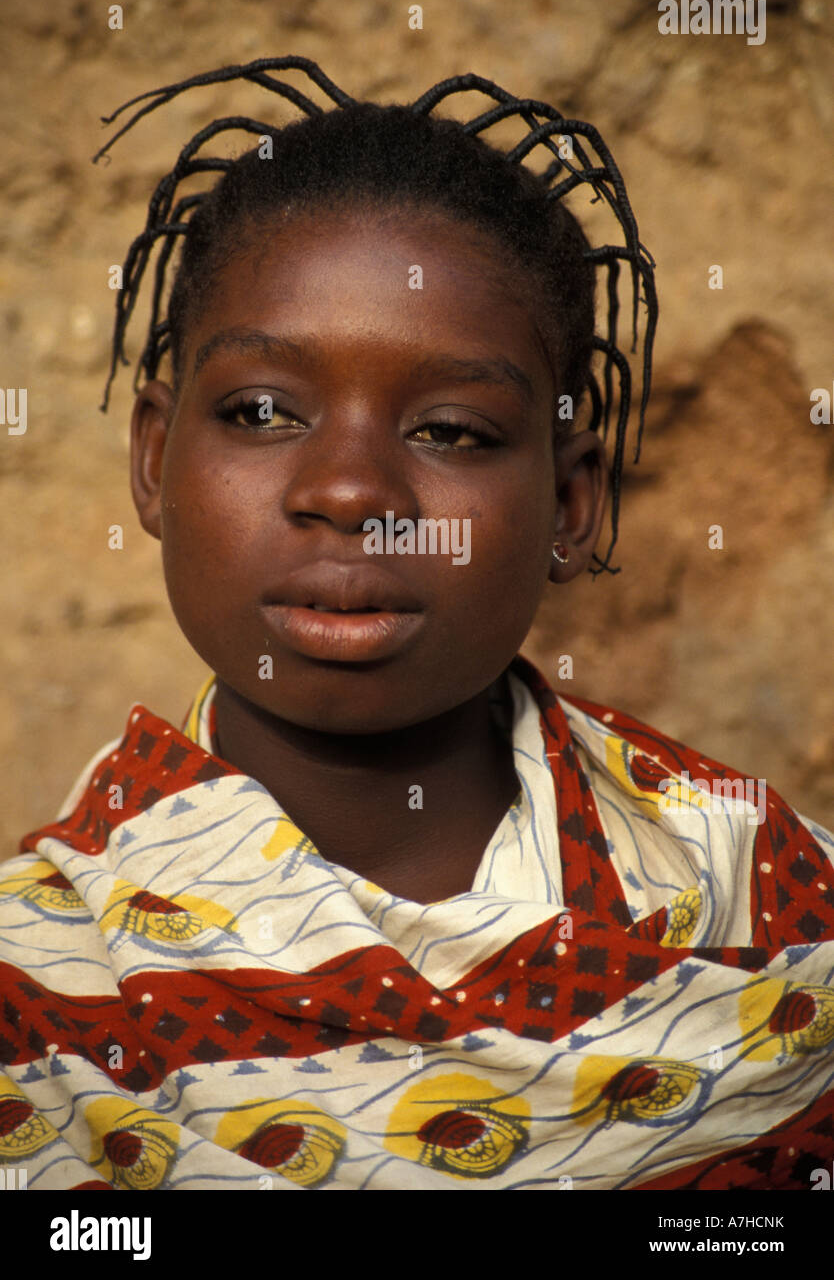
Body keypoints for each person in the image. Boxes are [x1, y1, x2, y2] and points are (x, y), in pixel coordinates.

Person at [1, 59, 832, 1192]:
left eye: (450, 430)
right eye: (261, 411)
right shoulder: (34, 991)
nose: (350, 491)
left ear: (571, 503)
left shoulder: (774, 903)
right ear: (155, 461)